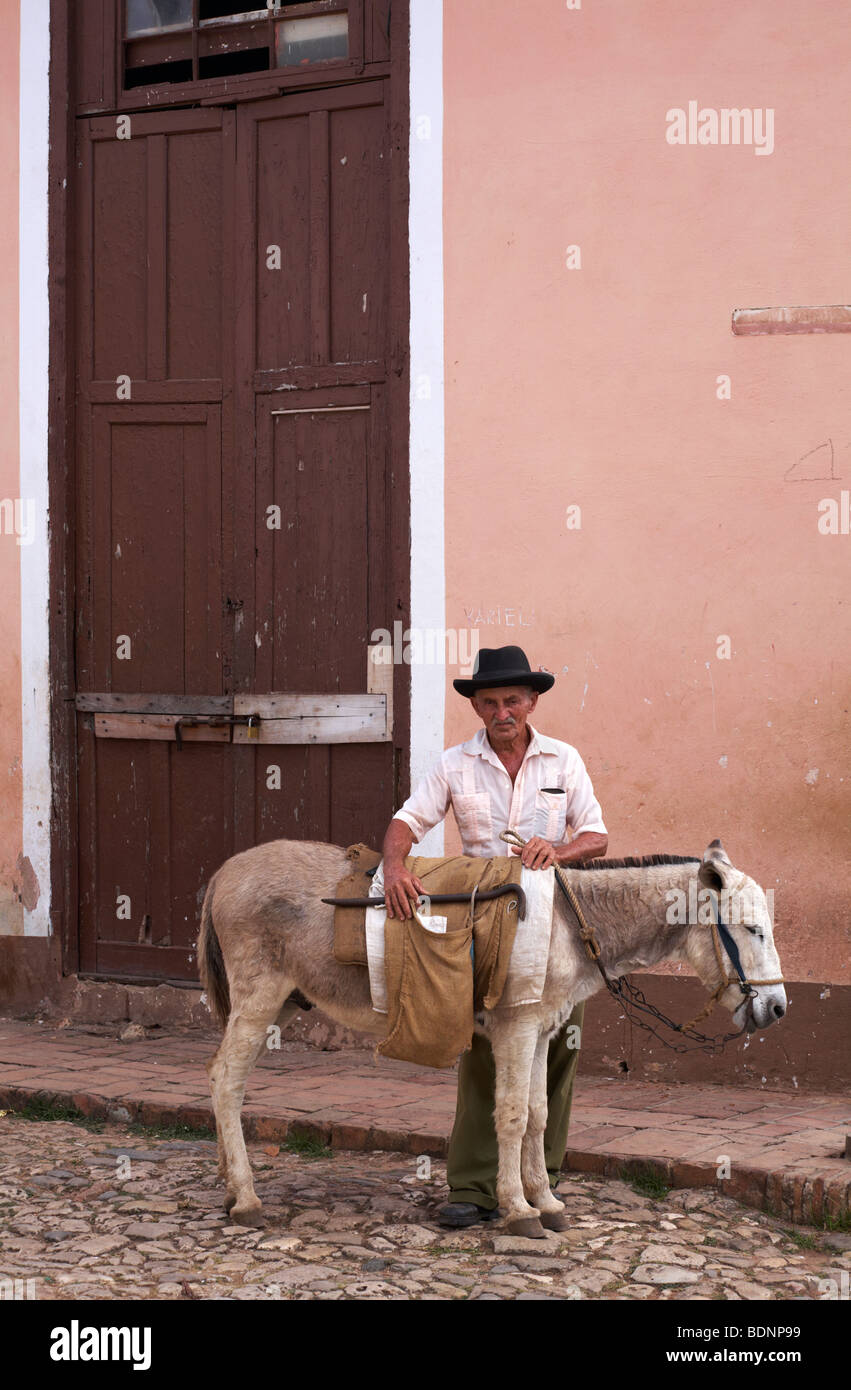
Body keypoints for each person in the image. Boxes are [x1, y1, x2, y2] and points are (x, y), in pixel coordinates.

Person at [381, 644, 608, 1227]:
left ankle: (542, 1177)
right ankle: (475, 1187)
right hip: (485, 920)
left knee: (559, 1048)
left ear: (531, 702)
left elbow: (596, 836)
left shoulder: (564, 760)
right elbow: (409, 820)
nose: (501, 711)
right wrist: (395, 866)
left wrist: (556, 850)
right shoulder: (456, 763)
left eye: (512, 700)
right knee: (485, 1049)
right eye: (489, 702)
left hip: (559, 925)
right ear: (477, 707)